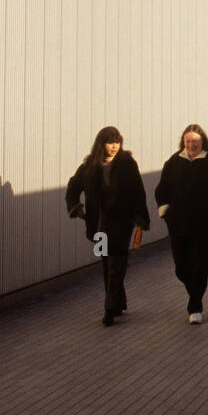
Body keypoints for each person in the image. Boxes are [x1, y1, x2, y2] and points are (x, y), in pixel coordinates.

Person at [66, 127, 150, 326]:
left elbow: (138, 191)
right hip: (99, 225)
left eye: (117, 142)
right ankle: (118, 302)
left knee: (117, 263)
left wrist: (140, 218)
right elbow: (73, 186)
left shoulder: (127, 164)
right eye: (110, 142)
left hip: (121, 223)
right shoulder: (89, 166)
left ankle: (109, 308)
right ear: (101, 143)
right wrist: (75, 207)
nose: (114, 146)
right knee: (106, 263)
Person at [155, 124, 208, 322]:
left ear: (203, 142)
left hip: (204, 226)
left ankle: (195, 307)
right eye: (188, 142)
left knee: (200, 265)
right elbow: (161, 189)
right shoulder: (173, 162)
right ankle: (195, 294)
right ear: (183, 142)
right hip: (178, 225)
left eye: (195, 142)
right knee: (181, 267)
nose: (191, 145)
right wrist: (165, 210)